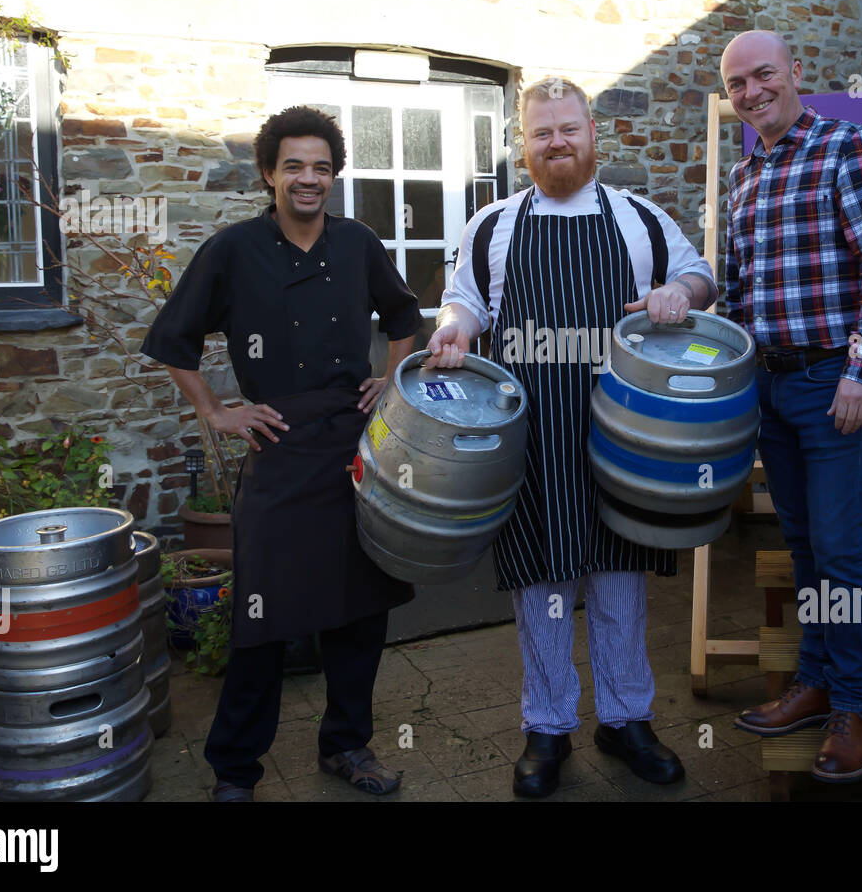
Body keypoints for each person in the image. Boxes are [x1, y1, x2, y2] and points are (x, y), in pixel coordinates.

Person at [427, 77, 718, 798]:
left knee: (619, 582)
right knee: (543, 586)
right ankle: (547, 727)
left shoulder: (639, 219)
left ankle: (625, 719)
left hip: (623, 437)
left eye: (568, 128)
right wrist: (452, 330)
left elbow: (700, 273)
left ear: (594, 133)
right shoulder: (492, 225)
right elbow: (463, 301)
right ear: (522, 143)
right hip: (535, 438)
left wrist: (682, 293)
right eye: (541, 132)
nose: (556, 142)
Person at [141, 105, 420, 801]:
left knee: (361, 607)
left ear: (334, 176)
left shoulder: (357, 243)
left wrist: (391, 379)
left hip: (356, 444)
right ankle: (236, 768)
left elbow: (405, 316)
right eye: (294, 165)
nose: (309, 178)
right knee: (261, 618)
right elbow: (173, 338)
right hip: (278, 443)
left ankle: (347, 744)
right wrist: (217, 410)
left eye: (321, 167)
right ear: (269, 172)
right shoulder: (235, 250)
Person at [719, 31, 862, 783]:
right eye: (737, 83)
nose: (752, 91)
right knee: (802, 544)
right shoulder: (744, 172)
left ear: (796, 72)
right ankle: (816, 680)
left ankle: (853, 707)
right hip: (770, 384)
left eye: (764, 74)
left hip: (834, 384)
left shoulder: (845, 147)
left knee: (838, 550)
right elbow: (739, 290)